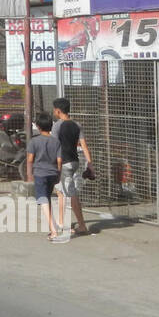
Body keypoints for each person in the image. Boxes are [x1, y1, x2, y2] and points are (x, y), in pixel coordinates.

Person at [52, 97, 92, 237]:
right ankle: (61, 221)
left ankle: (82, 226)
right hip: (75, 162)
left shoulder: (57, 126)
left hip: (64, 163)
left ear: (58, 111)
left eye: (54, 109)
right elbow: (84, 146)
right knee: (61, 191)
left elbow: (54, 147)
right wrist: (90, 164)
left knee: (71, 193)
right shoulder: (77, 125)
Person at [25, 112, 62, 239]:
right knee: (47, 197)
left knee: (42, 199)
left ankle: (53, 230)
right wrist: (58, 174)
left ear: (38, 127)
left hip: (40, 173)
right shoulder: (56, 142)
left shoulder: (34, 141)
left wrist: (29, 174)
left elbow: (30, 159)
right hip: (53, 173)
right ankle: (53, 226)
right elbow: (59, 160)